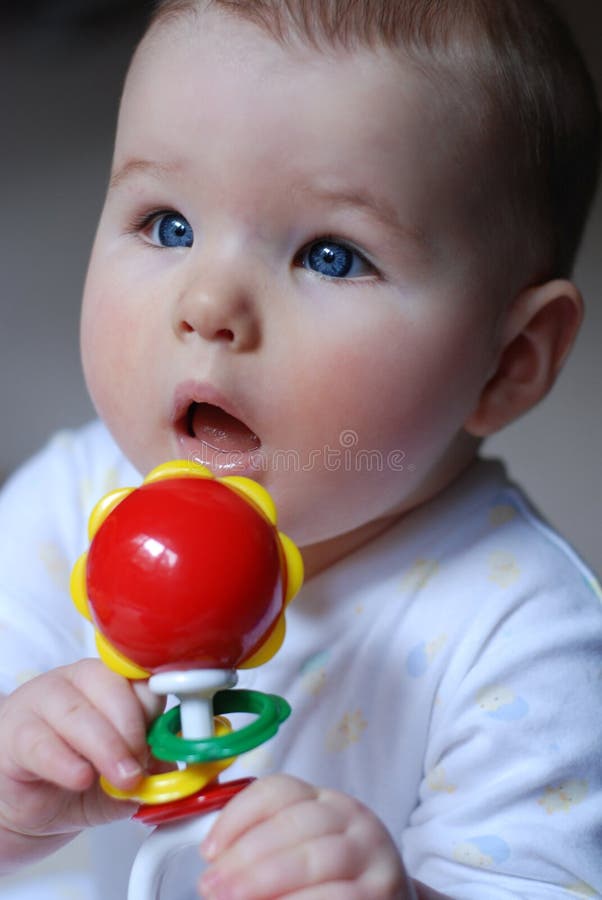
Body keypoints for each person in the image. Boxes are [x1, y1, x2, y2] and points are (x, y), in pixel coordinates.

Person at [0, 0, 601, 897]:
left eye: (329, 255)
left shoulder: (527, 642)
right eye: (168, 224)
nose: (208, 304)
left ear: (507, 363)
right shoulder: (72, 504)